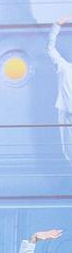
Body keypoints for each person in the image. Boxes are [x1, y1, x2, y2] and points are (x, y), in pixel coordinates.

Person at [47, 19, 72, 166]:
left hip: (65, 108)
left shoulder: (64, 67)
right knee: (66, 143)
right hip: (65, 108)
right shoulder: (64, 66)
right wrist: (56, 26)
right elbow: (50, 48)